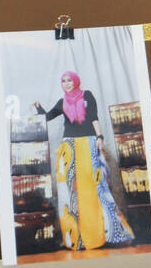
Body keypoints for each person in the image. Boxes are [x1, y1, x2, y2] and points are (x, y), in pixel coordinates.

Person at [33, 71, 134, 251]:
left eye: (69, 80)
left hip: (88, 144)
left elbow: (93, 117)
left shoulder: (87, 96)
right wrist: (39, 108)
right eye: (63, 81)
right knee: (71, 192)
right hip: (69, 146)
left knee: (95, 188)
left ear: (76, 81)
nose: (67, 83)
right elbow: (47, 117)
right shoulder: (62, 102)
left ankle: (105, 234)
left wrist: (100, 136)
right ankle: (76, 239)